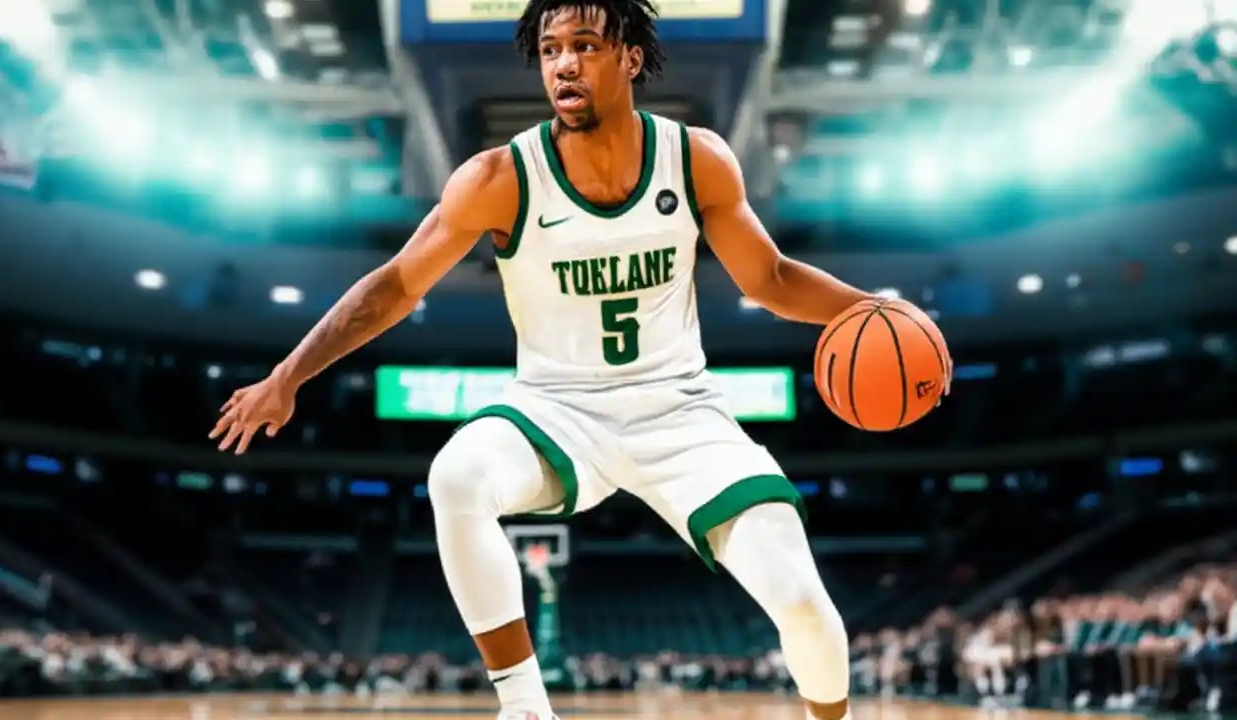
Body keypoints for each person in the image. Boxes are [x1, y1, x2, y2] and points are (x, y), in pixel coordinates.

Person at [209, 1, 952, 718]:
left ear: (630, 57)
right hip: (554, 411)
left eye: (586, 46)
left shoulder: (696, 162)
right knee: (455, 476)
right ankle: (525, 706)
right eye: (551, 50)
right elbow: (396, 286)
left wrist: (872, 309)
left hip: (682, 413)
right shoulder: (499, 178)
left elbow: (773, 279)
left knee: (800, 599)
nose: (564, 64)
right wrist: (288, 377)